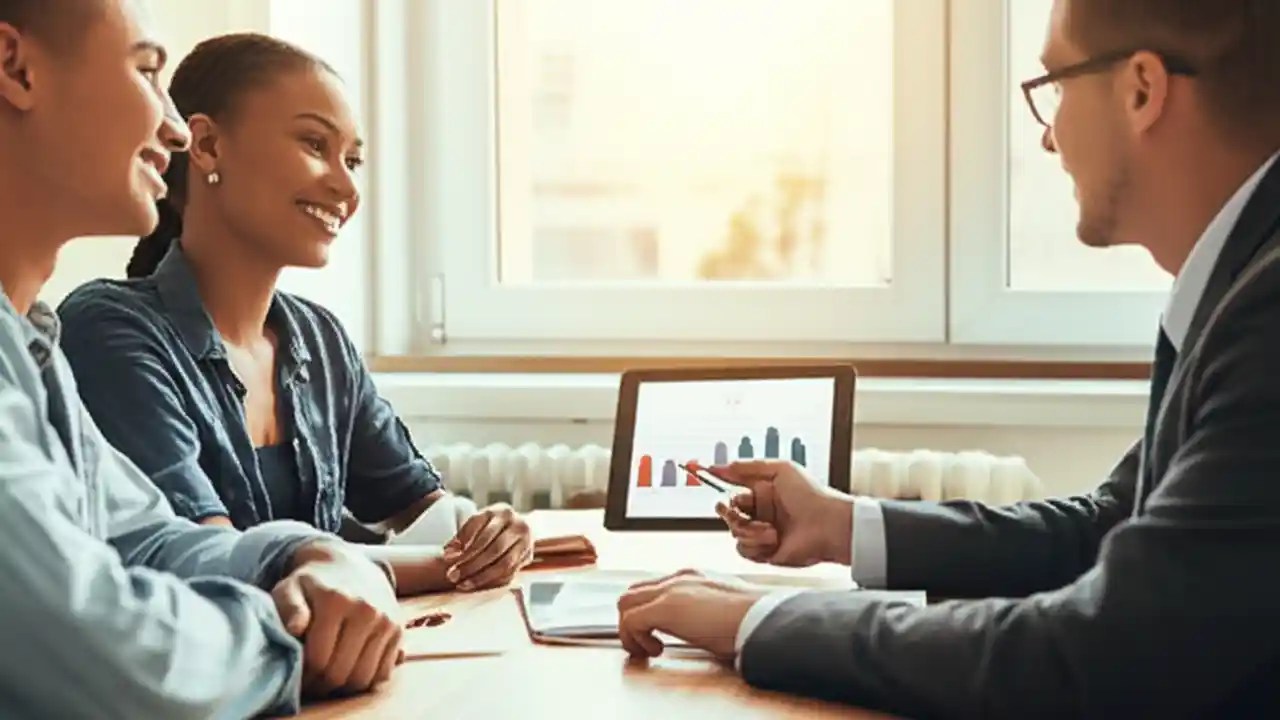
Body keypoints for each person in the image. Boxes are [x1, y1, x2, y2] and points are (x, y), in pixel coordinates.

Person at [617, 0, 1280, 716]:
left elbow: (1101, 651)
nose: (1049, 138)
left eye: (1054, 86)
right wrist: (842, 525)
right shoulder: (1241, 285)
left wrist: (757, 621)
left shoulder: (1268, 316)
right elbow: (1107, 526)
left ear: (1141, 90)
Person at [0, 1, 411, 716]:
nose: (171, 127)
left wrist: (305, 557)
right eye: (147, 70)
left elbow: (143, 537)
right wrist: (281, 633)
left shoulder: (30, 347)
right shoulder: (102, 328)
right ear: (15, 67)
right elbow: (94, 646)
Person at [57, 31, 533, 597]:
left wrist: (491, 535)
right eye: (314, 144)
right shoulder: (108, 330)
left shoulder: (320, 339)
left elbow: (421, 509)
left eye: (353, 159)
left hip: (338, 669)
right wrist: (451, 566)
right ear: (206, 146)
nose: (346, 185)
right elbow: (207, 562)